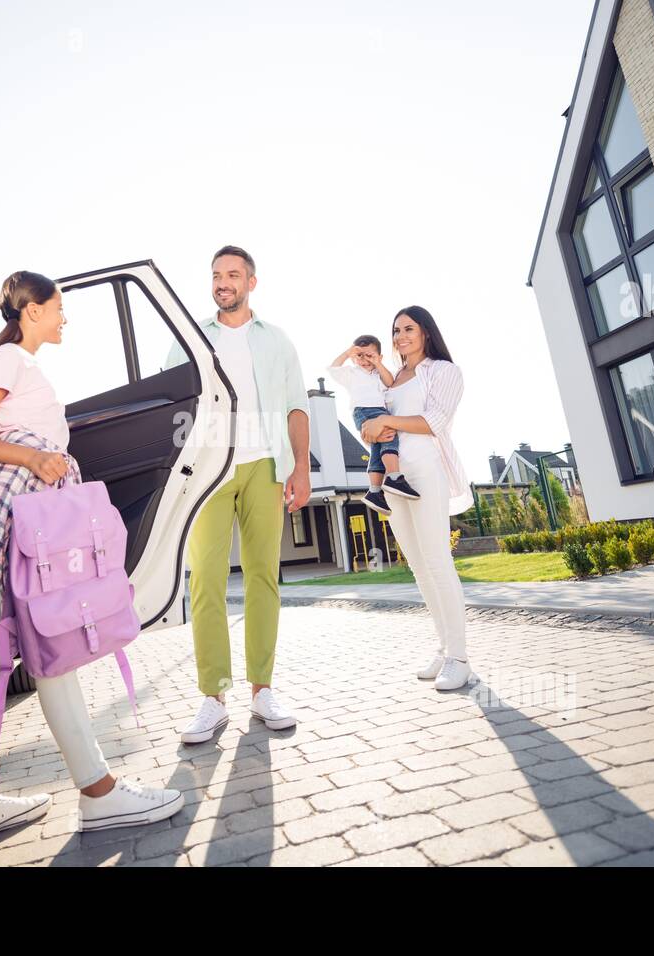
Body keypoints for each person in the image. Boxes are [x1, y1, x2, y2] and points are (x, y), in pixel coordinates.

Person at [0, 270, 184, 847]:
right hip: (23, 502)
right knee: (45, 634)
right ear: (32, 312)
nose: (63, 317)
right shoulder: (10, 363)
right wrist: (31, 457)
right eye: (58, 308)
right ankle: (97, 791)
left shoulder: (21, 366)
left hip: (30, 503)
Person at [165, 245, 311, 744]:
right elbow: (171, 404)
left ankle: (262, 690)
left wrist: (301, 468)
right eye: (215, 275)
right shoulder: (191, 337)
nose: (222, 282)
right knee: (204, 577)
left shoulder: (277, 341)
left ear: (251, 281)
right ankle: (214, 696)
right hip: (209, 472)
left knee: (262, 578)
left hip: (265, 466)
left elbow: (296, 406)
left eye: (232, 274)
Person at [358, 306, 475, 691]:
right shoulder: (389, 380)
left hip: (426, 472)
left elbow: (433, 422)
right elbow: (375, 419)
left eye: (408, 328)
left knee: (438, 562)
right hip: (395, 479)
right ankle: (444, 649)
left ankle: (459, 658)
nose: (400, 336)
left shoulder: (444, 371)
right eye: (395, 330)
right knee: (419, 567)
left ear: (426, 332)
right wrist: (371, 430)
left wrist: (387, 422)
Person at [327, 334, 421, 516]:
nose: (365, 360)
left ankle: (375, 491)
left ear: (379, 357)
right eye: (360, 356)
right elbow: (333, 368)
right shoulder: (352, 373)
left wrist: (378, 364)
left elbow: (390, 382)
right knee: (389, 436)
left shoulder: (379, 373)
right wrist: (348, 353)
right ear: (354, 358)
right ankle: (394, 477)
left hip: (379, 411)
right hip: (364, 411)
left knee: (377, 449)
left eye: (370, 355)